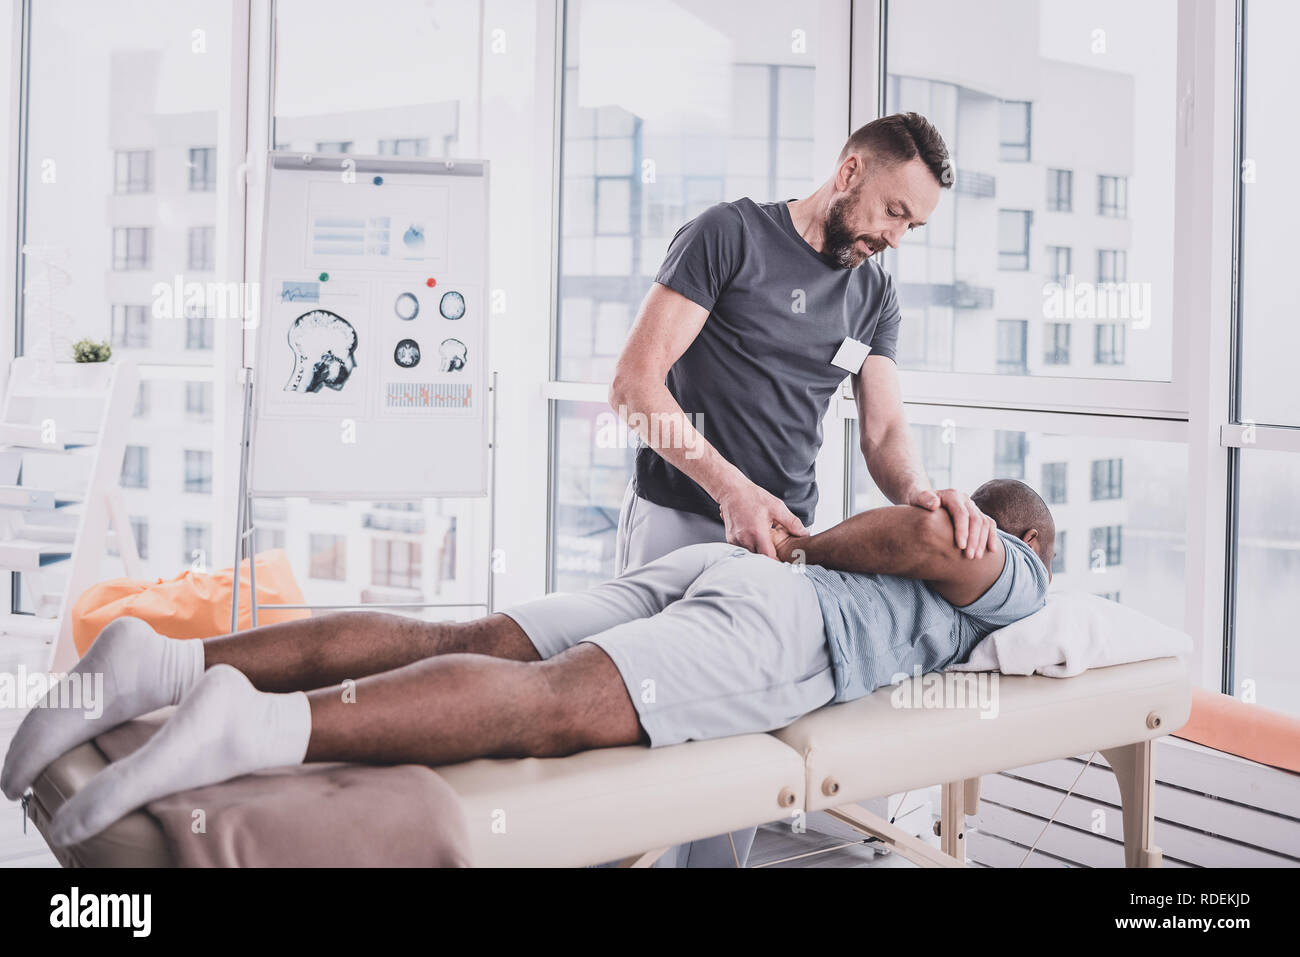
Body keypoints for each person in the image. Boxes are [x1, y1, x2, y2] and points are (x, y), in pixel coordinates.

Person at [1, 480, 1053, 851]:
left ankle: (164, 666)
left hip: (712, 569)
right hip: (785, 626)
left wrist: (804, 541)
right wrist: (819, 546)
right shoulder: (1018, 572)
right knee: (549, 706)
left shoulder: (943, 547)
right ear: (1023, 543)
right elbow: (926, 542)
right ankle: (259, 729)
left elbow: (911, 535)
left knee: (449, 637)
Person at [607, 111, 997, 864]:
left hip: (779, 548)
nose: (895, 237)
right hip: (679, 519)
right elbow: (633, 386)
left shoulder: (873, 293)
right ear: (849, 171)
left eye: (913, 225)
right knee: (652, 730)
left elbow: (882, 435)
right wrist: (731, 488)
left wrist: (920, 492)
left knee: (744, 752)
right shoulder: (728, 236)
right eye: (893, 212)